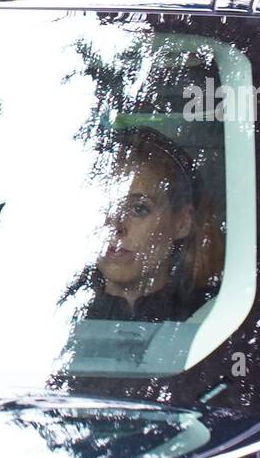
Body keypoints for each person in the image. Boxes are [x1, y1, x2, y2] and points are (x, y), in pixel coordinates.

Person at [80, 127, 218, 322]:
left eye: (138, 209)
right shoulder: (52, 310)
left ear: (182, 223)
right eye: (101, 206)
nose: (115, 225)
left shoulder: (215, 316)